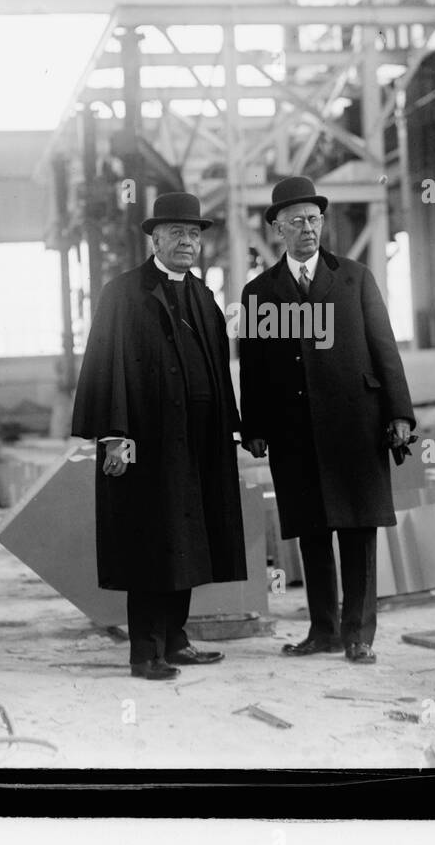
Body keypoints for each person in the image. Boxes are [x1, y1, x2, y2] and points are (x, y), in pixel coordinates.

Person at [239, 176, 415, 665]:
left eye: (314, 219)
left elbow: (385, 348)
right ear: (276, 228)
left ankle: (358, 635)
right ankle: (323, 631)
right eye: (295, 221)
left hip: (355, 426)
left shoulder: (356, 278)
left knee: (358, 532)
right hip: (294, 430)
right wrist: (252, 425)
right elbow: (252, 366)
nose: (307, 229)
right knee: (311, 530)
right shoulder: (260, 292)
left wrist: (400, 413)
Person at [71, 191, 247, 681]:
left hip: (198, 442)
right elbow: (104, 369)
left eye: (193, 234)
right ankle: (145, 652)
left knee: (188, 539)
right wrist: (113, 436)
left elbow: (218, 372)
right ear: (155, 238)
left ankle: (176, 639)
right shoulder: (123, 294)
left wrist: (230, 429)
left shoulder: (205, 297)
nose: (187, 242)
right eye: (176, 233)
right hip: (145, 442)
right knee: (149, 542)